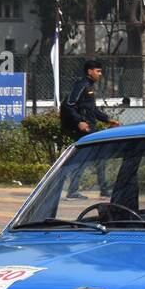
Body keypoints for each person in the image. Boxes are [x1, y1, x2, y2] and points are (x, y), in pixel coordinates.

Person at [60, 59, 119, 199]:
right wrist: (79, 121)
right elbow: (69, 104)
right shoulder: (82, 85)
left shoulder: (89, 87)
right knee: (84, 159)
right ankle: (72, 191)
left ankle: (103, 190)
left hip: (89, 128)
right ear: (90, 71)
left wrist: (108, 119)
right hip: (83, 130)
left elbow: (92, 110)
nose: (100, 74)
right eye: (98, 71)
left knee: (98, 158)